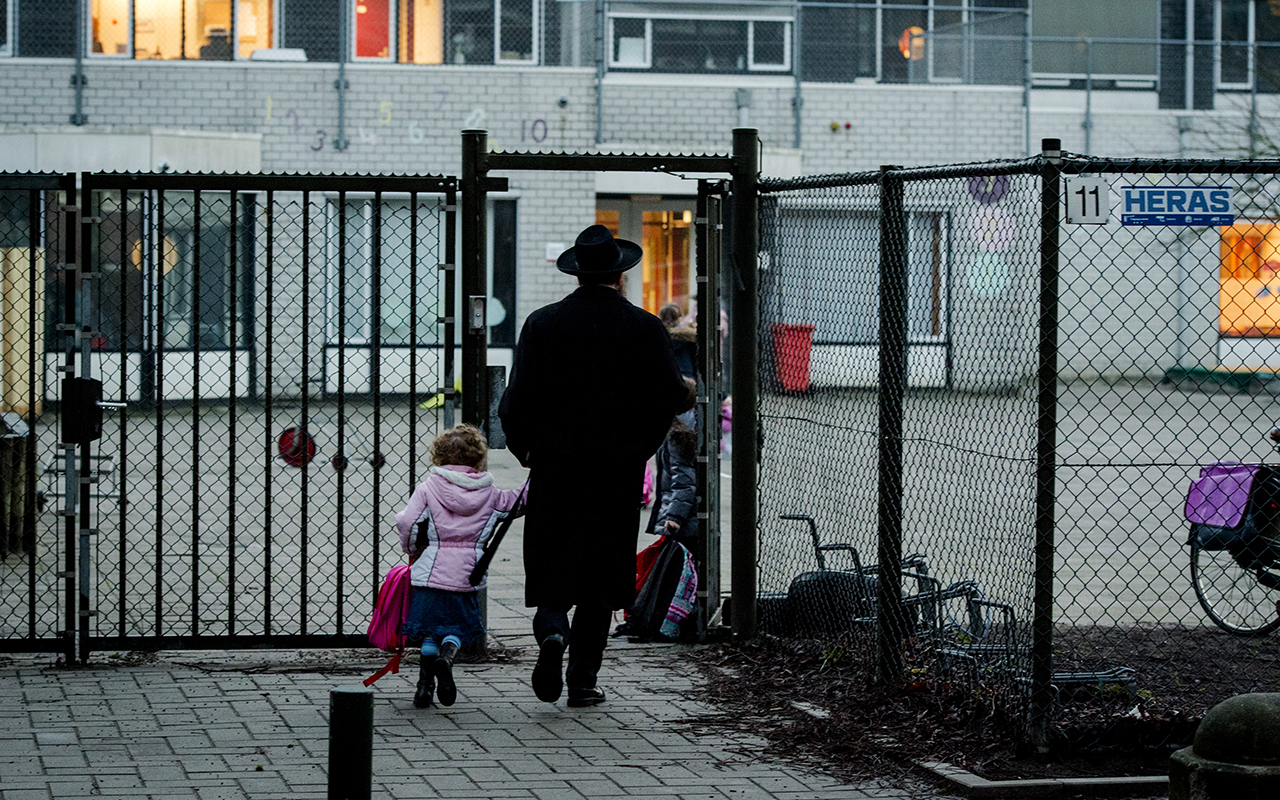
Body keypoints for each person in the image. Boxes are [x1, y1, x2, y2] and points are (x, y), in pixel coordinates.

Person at [499, 224, 689, 707]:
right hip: (616, 475)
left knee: (553, 568)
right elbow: (668, 396)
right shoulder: (645, 328)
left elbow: (514, 403)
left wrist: (530, 452)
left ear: (577, 275)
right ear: (621, 275)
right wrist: (638, 449)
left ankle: (550, 635)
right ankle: (583, 680)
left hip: (556, 472)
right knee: (601, 580)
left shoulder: (543, 324)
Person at [394, 424, 525, 709]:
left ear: (438, 457)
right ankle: (447, 658)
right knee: (454, 629)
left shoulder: (428, 488)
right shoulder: (489, 494)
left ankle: (424, 687)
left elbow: (406, 521)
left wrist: (412, 547)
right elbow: (517, 502)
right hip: (466, 575)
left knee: (429, 631)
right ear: (479, 458)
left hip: (430, 573)